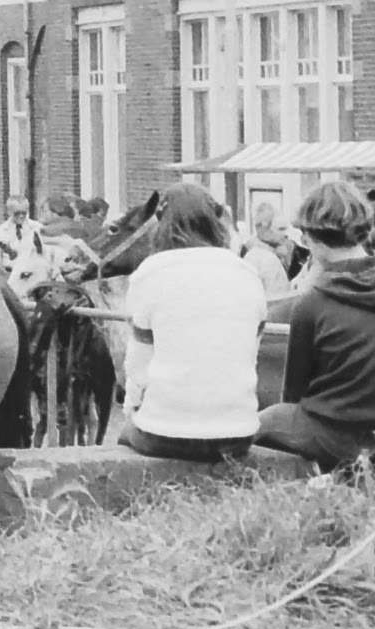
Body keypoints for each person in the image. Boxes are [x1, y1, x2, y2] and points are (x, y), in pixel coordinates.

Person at [117, 183, 266, 462]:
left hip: (165, 433)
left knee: (124, 432)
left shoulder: (148, 274)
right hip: (238, 435)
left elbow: (137, 368)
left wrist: (133, 410)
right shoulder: (248, 273)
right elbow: (249, 354)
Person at [255, 182, 375, 471]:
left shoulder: (312, 302)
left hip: (333, 434)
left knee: (255, 423)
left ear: (312, 238)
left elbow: (293, 393)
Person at [241, 202, 292, 298]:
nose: (285, 235)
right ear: (263, 228)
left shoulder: (280, 250)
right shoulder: (264, 258)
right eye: (281, 229)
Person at [0, 196, 45, 272]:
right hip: (9, 275)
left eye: (24, 213)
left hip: (32, 275)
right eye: (17, 213)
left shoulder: (37, 228)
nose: (21, 216)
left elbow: (44, 255)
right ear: (9, 212)